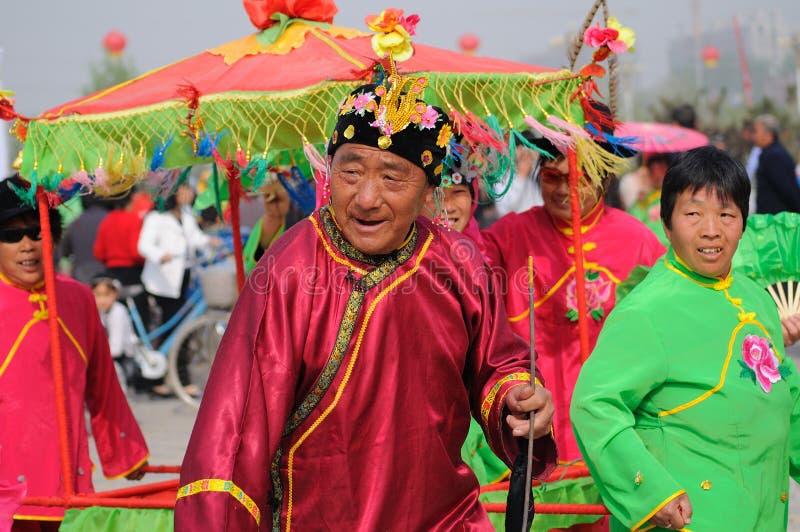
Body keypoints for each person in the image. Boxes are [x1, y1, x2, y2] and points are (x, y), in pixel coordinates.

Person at [175, 75, 558, 530]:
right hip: (320, 518)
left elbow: (498, 363)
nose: (367, 198)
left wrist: (516, 396)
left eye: (392, 177)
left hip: (442, 517)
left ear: (428, 191)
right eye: (351, 172)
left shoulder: (459, 263)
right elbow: (236, 427)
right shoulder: (289, 267)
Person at [571, 146, 800, 531]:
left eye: (726, 215)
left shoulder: (757, 298)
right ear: (667, 224)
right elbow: (594, 405)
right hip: (691, 520)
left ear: (743, 222)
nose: (711, 230)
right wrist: (653, 492)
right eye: (693, 214)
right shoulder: (647, 310)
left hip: (764, 514)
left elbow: (784, 393)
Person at [481, 114, 666, 468]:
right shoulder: (510, 236)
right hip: (534, 423)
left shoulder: (638, 241)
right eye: (553, 177)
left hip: (613, 424)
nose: (564, 191)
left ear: (605, 176)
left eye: (579, 178)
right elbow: (460, 271)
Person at [0, 176, 149, 528]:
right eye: (11, 234)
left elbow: (103, 383)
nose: (27, 245)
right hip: (6, 485)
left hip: (66, 477)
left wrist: (125, 452)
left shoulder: (78, 299)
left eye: (37, 232)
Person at [137, 183, 218, 396]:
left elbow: (194, 239)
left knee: (180, 329)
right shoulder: (156, 218)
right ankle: (169, 378)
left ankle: (176, 378)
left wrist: (212, 241)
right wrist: (160, 255)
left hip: (182, 279)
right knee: (173, 329)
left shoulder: (186, 214)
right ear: (172, 194)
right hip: (162, 282)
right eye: (184, 190)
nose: (189, 194)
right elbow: (144, 245)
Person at [93, 194, 149, 329]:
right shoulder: (134, 219)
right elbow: (136, 252)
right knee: (139, 319)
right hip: (133, 274)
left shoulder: (106, 221)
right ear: (129, 202)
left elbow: (98, 252)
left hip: (112, 274)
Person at [91, 275, 139, 391]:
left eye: (106, 295)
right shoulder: (101, 312)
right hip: (111, 356)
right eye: (98, 295)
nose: (102, 300)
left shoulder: (118, 312)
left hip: (125, 360)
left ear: (115, 294)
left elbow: (117, 349)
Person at [753, 113, 800, 214]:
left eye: (756, 132)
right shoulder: (769, 154)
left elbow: (788, 190)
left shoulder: (774, 157)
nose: (754, 136)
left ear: (768, 134)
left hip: (776, 223)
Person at [58, 195, 109, 284]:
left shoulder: (75, 224)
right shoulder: (109, 219)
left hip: (81, 275)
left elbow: (63, 250)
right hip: (106, 275)